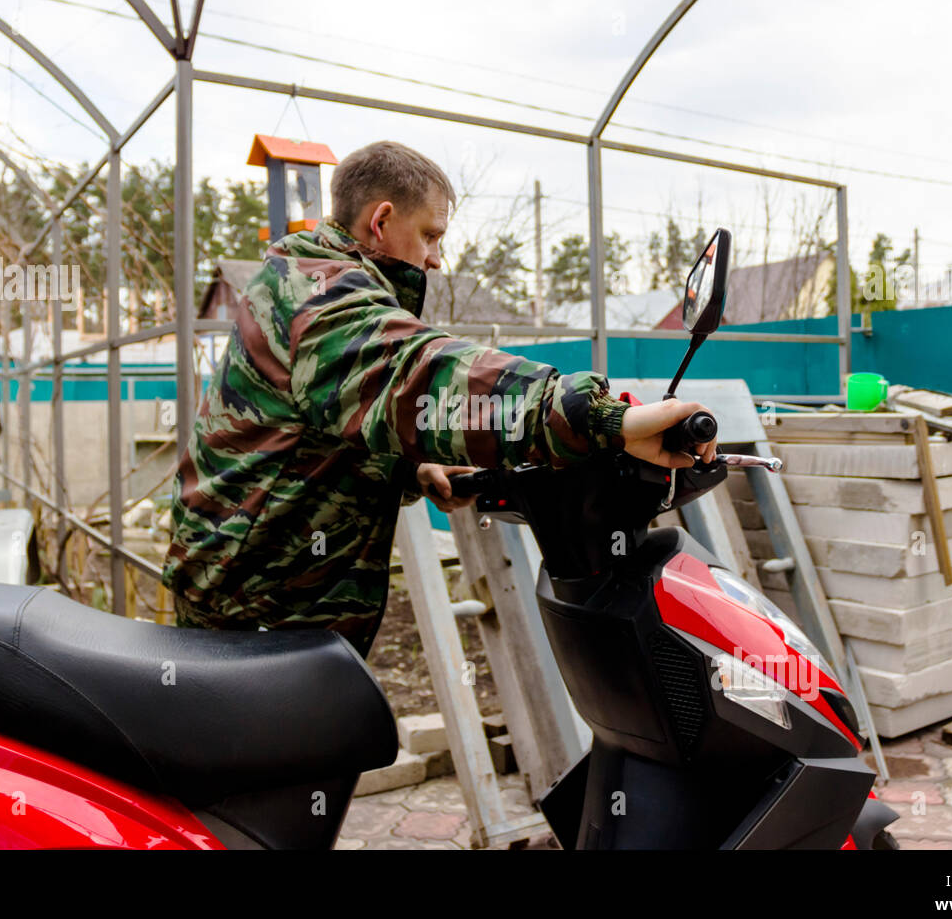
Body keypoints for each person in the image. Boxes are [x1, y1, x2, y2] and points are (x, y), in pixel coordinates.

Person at [161, 140, 716, 658]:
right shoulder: (319, 294)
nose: (436, 259)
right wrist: (596, 415)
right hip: (250, 603)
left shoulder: (310, 280)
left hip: (268, 586)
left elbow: (327, 418)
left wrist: (411, 469)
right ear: (380, 221)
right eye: (430, 235)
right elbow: (415, 375)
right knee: (280, 758)